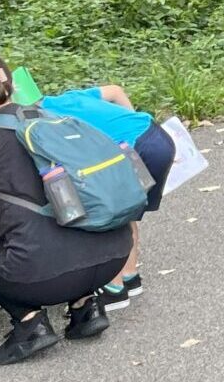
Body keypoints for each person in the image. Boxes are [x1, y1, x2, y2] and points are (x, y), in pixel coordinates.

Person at [0, 52, 132, 366]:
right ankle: (86, 307)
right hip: (114, 254)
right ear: (12, 86)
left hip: (46, 276)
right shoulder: (50, 116)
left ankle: (30, 324)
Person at [29, 80, 174, 310]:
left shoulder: (45, 120)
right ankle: (130, 276)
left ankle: (113, 288)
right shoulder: (68, 98)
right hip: (155, 133)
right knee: (129, 212)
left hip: (133, 148)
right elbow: (116, 90)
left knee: (111, 212)